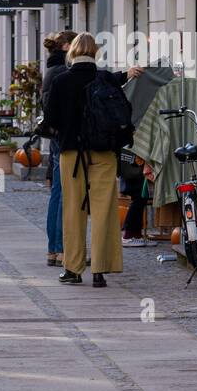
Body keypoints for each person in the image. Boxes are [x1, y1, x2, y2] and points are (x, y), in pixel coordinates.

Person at [41, 32, 139, 288]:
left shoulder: (62, 81)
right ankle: (100, 270)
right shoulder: (105, 78)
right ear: (95, 52)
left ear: (71, 52)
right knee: (104, 211)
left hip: (72, 154)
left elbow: (50, 119)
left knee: (73, 210)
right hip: (104, 153)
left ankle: (73, 269)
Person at [40, 30, 76, 266]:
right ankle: (62, 248)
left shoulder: (51, 70)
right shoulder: (62, 71)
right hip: (65, 137)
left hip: (55, 136)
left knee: (57, 192)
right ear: (66, 48)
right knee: (64, 192)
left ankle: (54, 249)